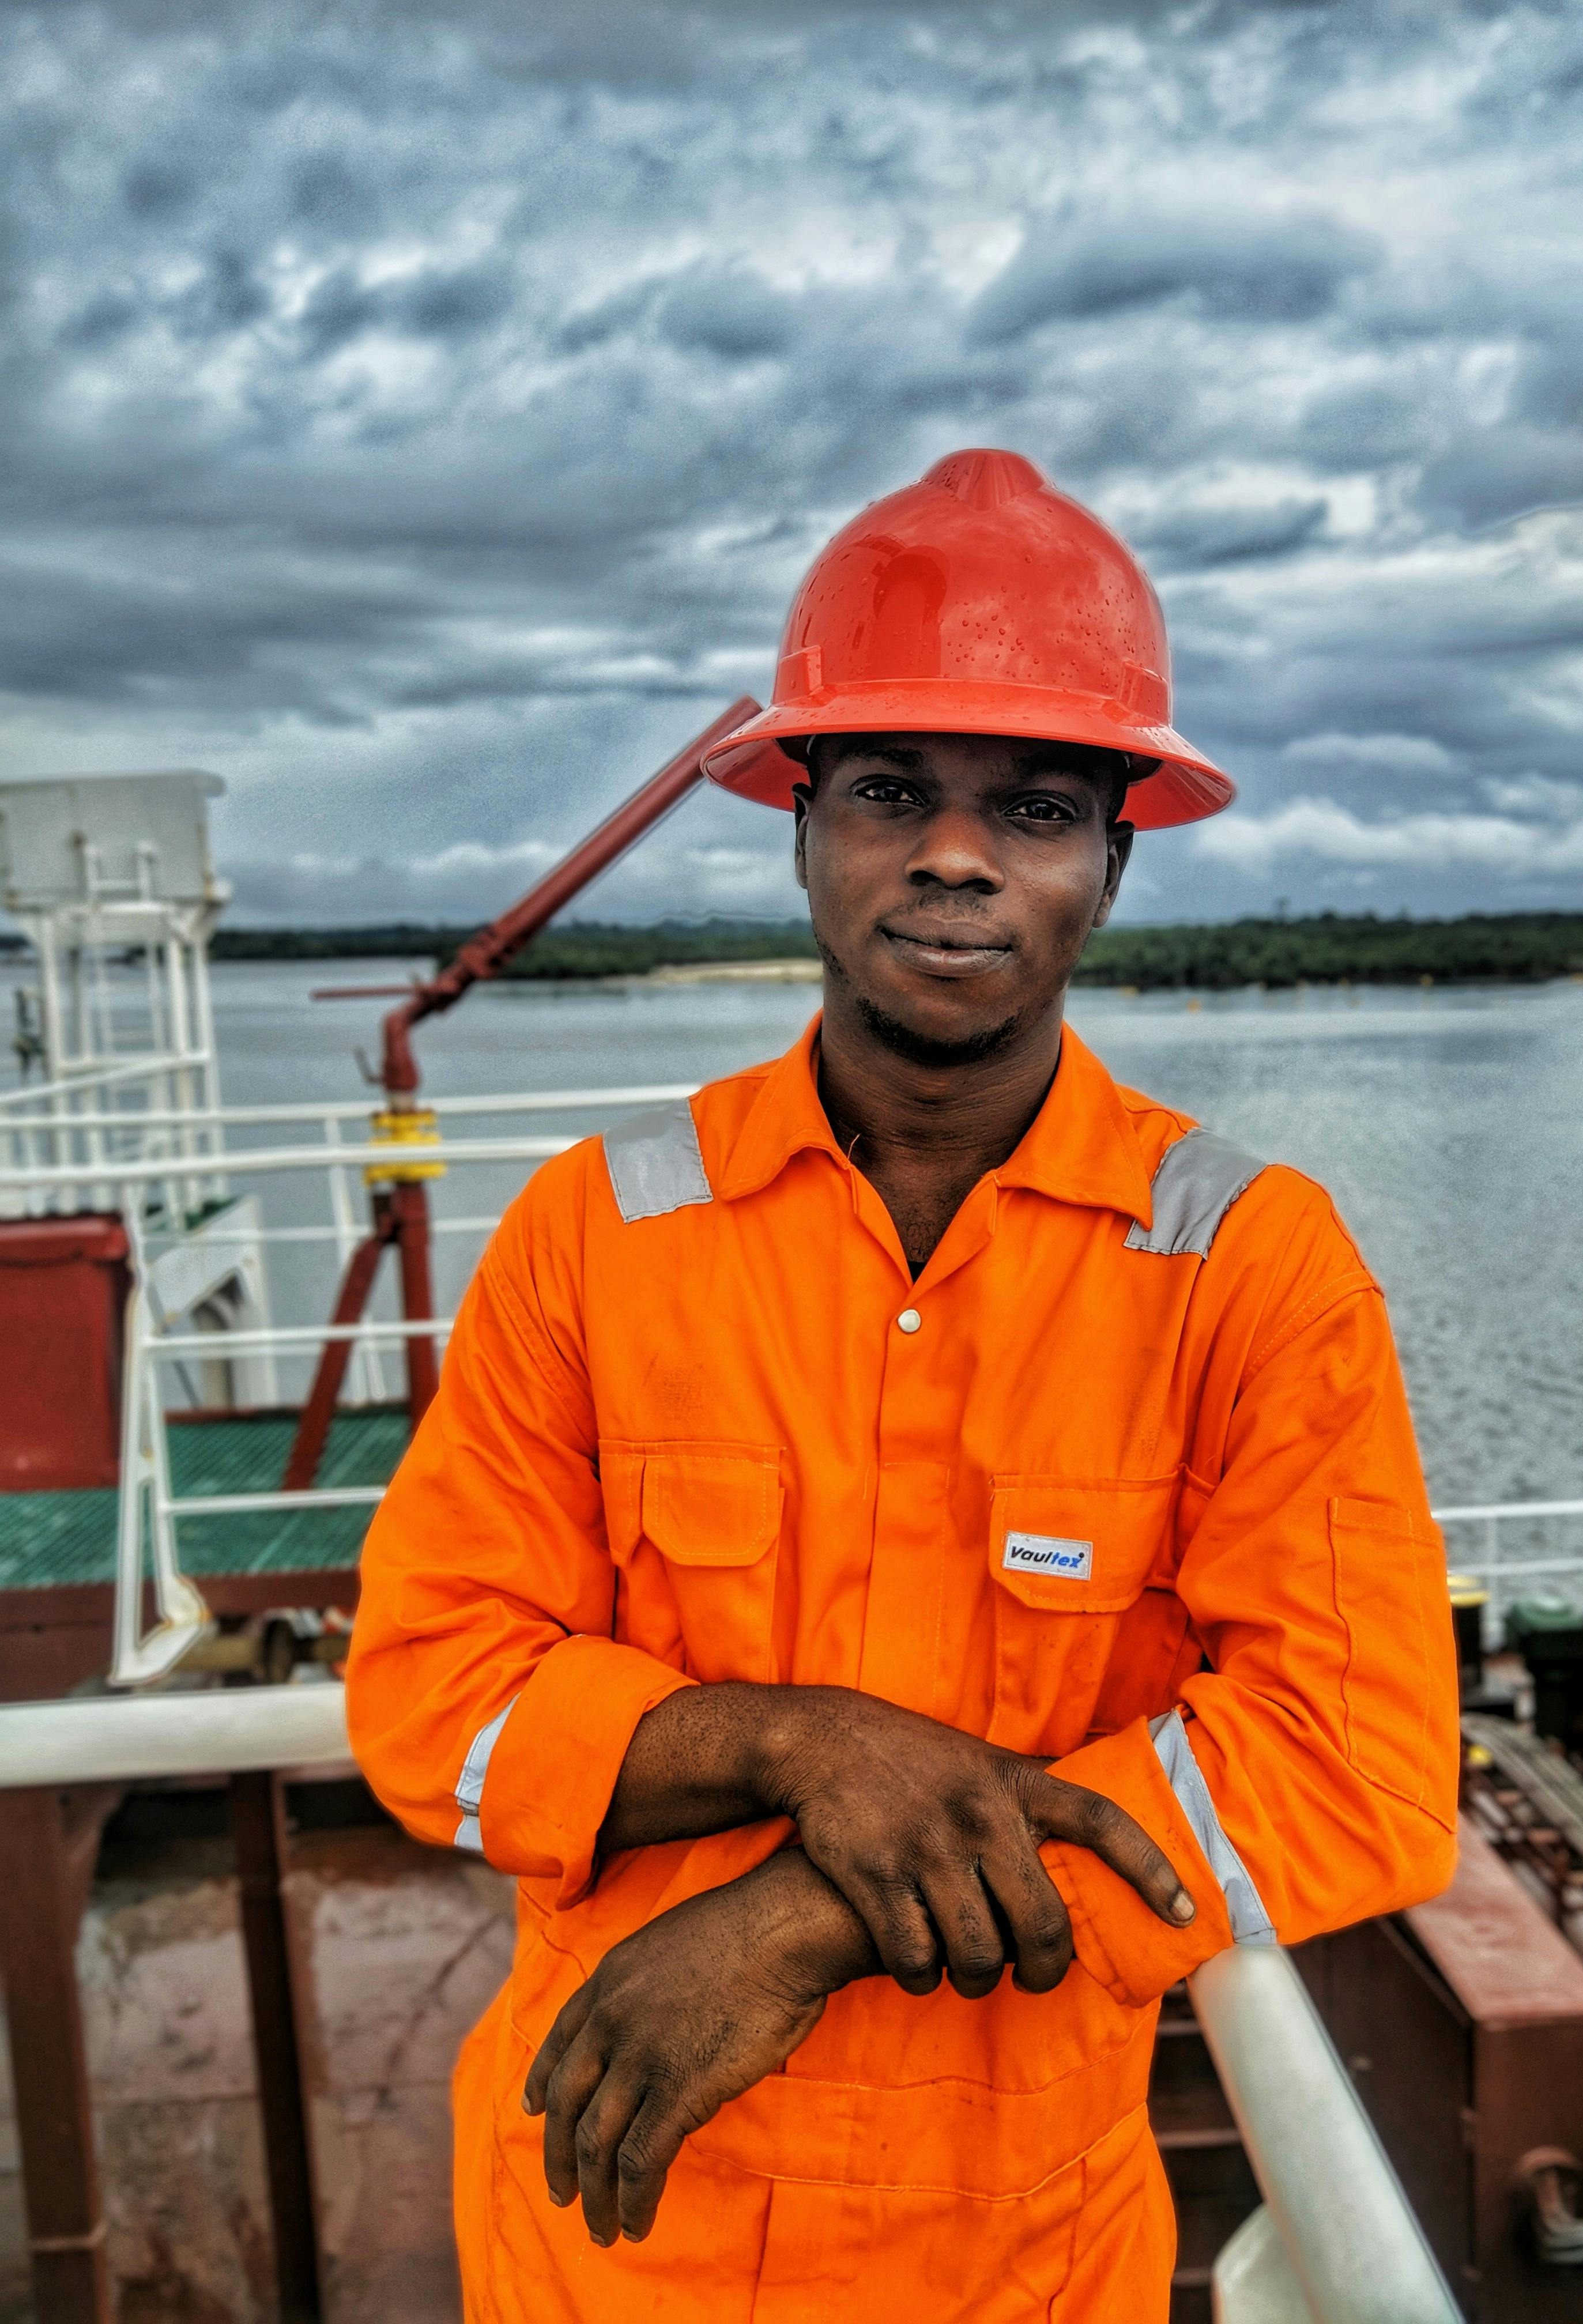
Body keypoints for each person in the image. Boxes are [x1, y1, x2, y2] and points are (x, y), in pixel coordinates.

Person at [346, 447, 1460, 2323]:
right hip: (615, 2241)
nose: (954, 855)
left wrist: (808, 1914)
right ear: (802, 828)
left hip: (1014, 2257)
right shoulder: (599, 1233)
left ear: (1115, 857)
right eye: (888, 793)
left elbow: (1347, 1758)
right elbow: (429, 1692)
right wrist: (798, 1743)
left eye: (1032, 806)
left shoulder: (1246, 1267)